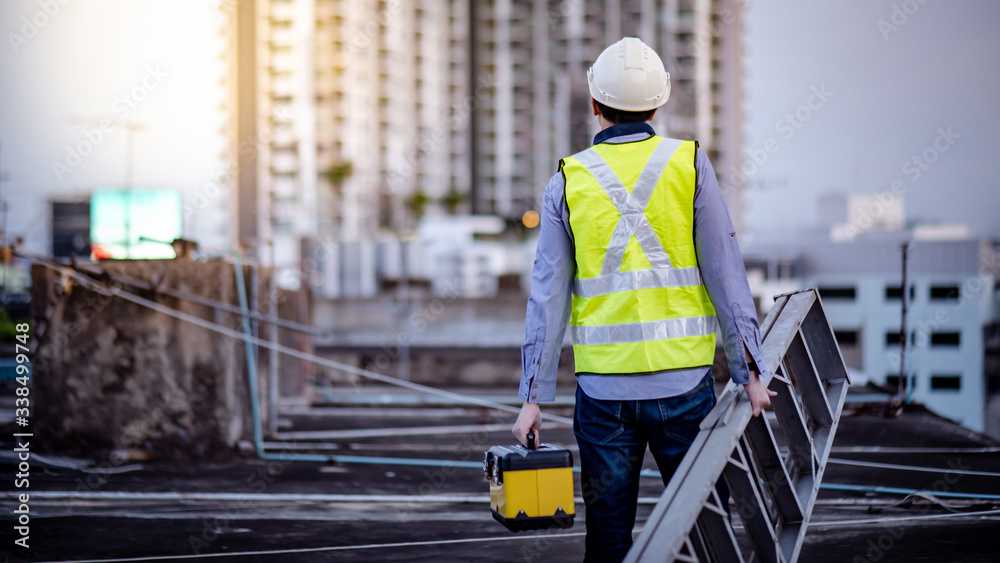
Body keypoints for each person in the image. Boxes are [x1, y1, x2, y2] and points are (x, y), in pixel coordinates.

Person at [511, 37, 776, 562]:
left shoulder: (567, 179)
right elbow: (725, 273)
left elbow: (547, 298)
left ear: (594, 103)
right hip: (685, 386)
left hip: (604, 395)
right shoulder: (690, 162)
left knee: (608, 541)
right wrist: (749, 370)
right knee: (706, 534)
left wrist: (533, 396)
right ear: (660, 102)